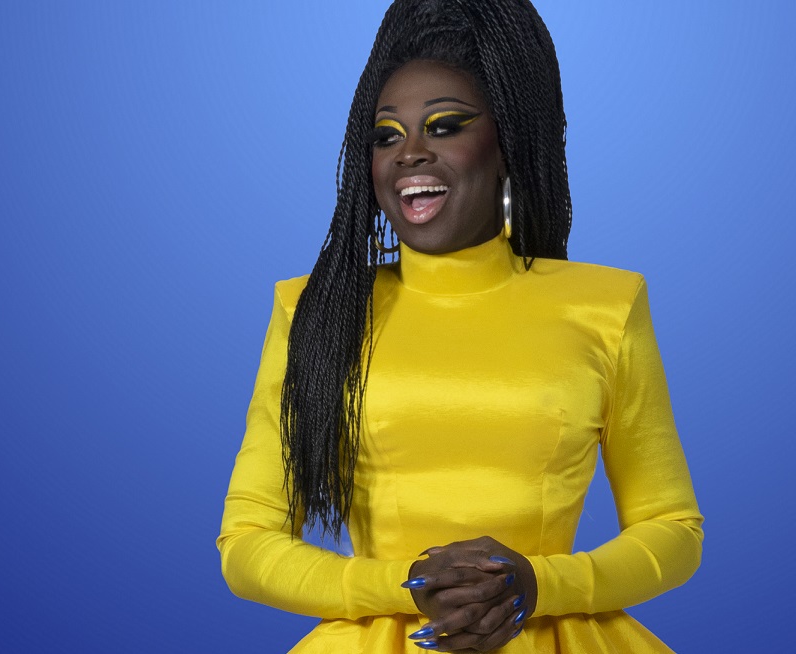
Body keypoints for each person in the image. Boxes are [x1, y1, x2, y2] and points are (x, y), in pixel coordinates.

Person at [217, 0, 704, 651]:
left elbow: (673, 529)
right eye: (386, 136)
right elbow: (246, 542)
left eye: (444, 127)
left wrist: (540, 585)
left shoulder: (607, 306)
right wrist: (403, 585)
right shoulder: (315, 312)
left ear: (506, 142)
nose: (410, 153)